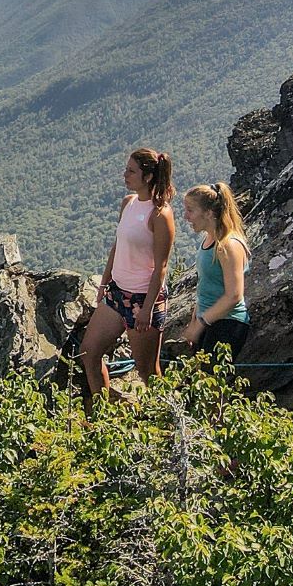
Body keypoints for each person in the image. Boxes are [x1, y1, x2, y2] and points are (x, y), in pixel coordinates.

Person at [81, 148, 176, 413]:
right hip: (116, 293)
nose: (125, 175)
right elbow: (117, 246)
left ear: (147, 176)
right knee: (88, 353)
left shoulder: (160, 215)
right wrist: (104, 283)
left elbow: (161, 267)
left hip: (142, 300)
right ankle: (105, 415)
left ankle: (168, 421)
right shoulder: (128, 202)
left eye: (131, 171)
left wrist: (147, 308)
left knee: (147, 371)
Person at [181, 182, 250, 357]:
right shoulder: (209, 240)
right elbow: (206, 285)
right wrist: (195, 319)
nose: (186, 217)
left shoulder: (228, 245)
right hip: (210, 320)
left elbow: (234, 296)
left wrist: (200, 324)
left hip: (227, 325)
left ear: (209, 213)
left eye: (190, 210)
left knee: (208, 381)